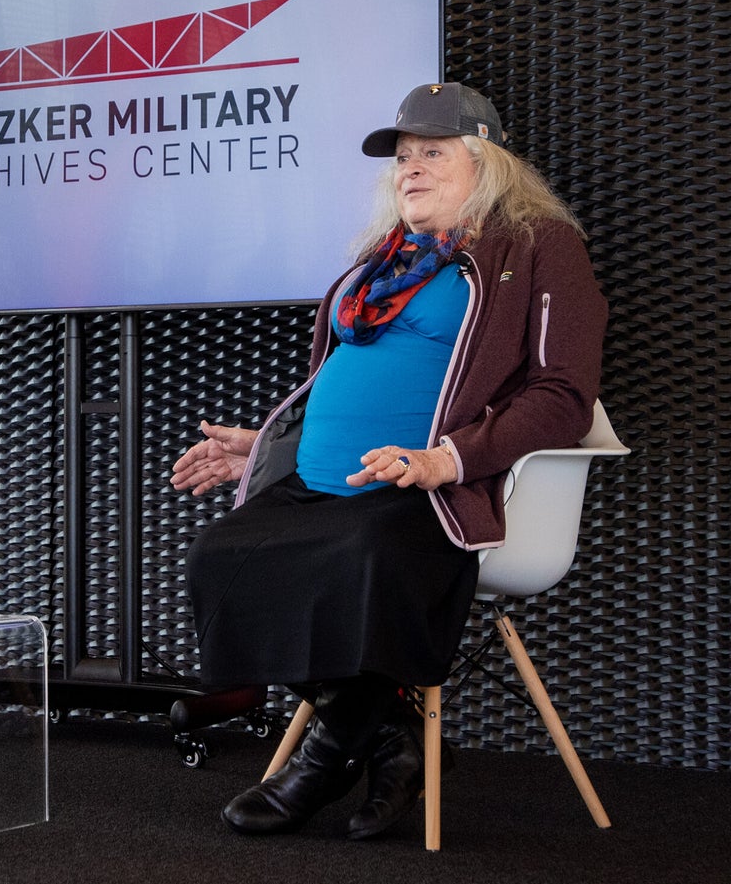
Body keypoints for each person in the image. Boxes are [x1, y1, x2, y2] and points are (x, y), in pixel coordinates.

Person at [170, 83, 606, 839]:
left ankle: (325, 756)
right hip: (325, 479)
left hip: (436, 489)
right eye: (403, 156)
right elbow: (339, 379)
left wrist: (446, 458)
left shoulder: (538, 246)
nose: (410, 168)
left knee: (364, 551)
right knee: (222, 556)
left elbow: (564, 393)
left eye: (432, 152)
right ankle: (388, 733)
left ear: (488, 161)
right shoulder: (388, 258)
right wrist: (269, 441)